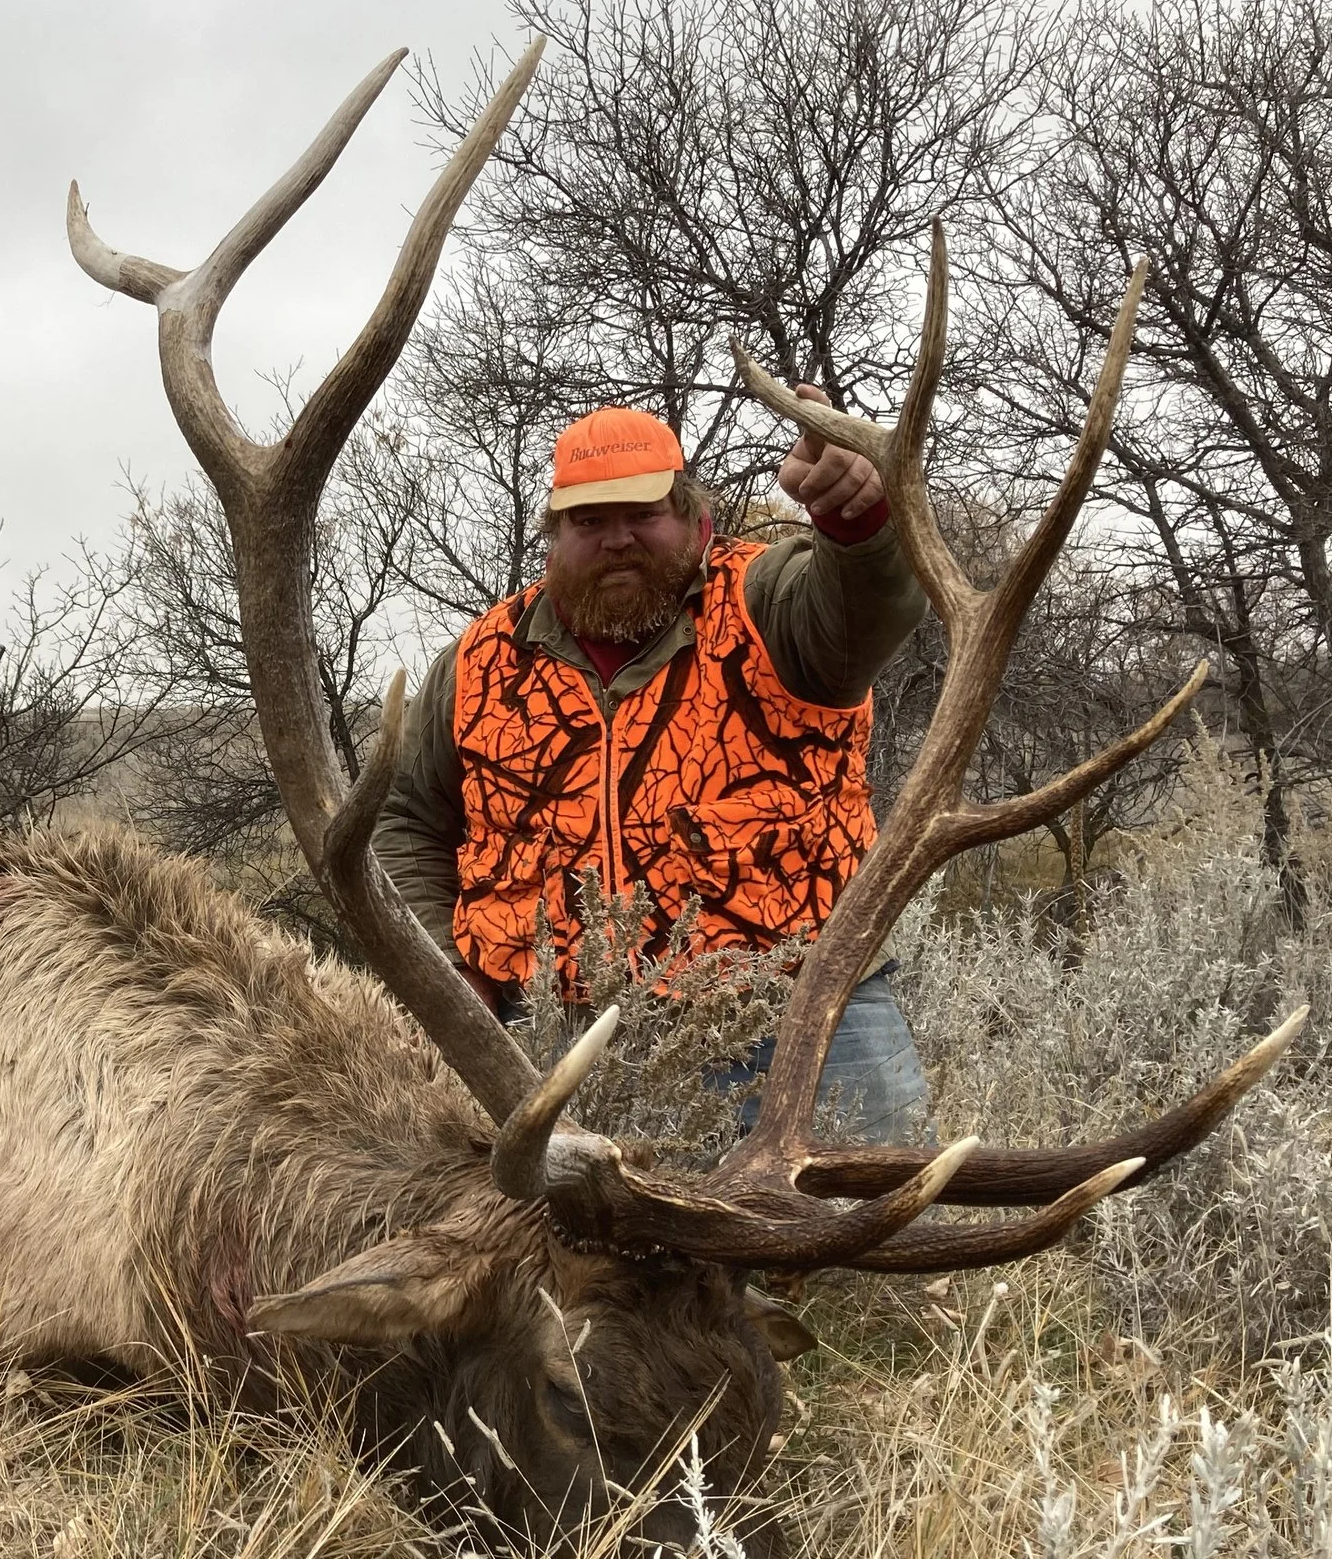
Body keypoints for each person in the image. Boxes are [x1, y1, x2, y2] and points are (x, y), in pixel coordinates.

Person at [371, 394, 931, 1142]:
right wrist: (445, 980)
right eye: (589, 521)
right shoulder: (479, 662)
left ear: (695, 516)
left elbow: (870, 606)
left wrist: (857, 521)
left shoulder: (766, 603)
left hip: (800, 1020)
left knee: (864, 1245)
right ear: (553, 534)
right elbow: (404, 820)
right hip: (554, 1043)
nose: (617, 540)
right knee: (569, 1261)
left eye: (643, 513)